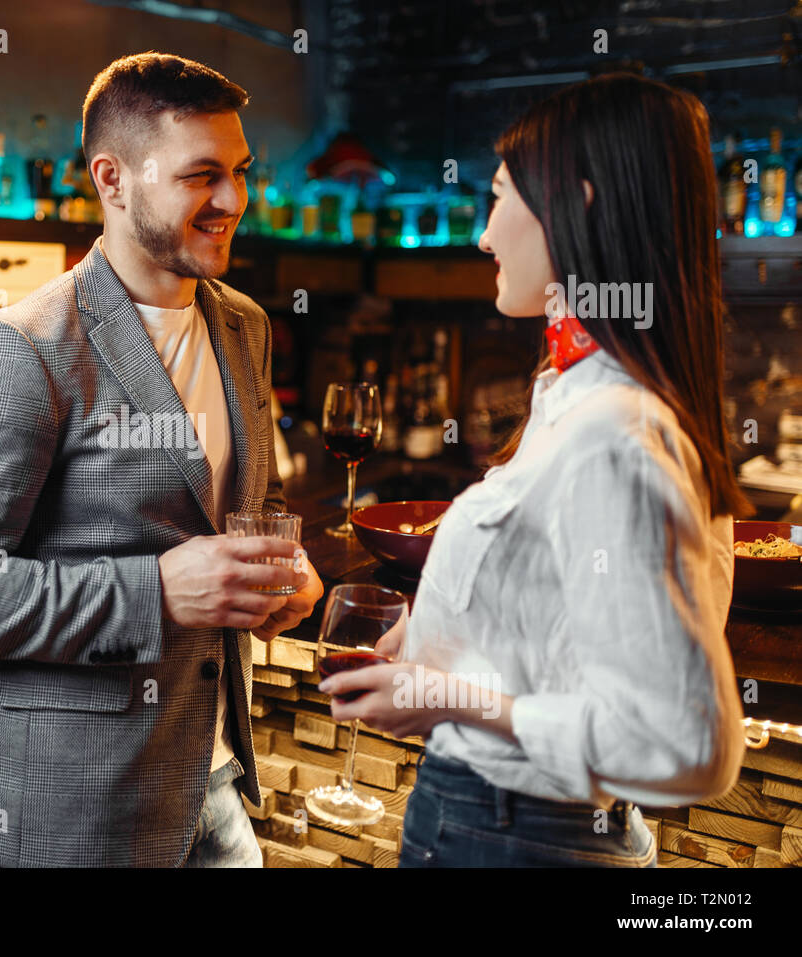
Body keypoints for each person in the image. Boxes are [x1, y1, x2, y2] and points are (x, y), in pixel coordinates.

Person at [0, 51, 324, 868]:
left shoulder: (246, 326)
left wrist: (271, 577)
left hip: (215, 781)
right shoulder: (19, 350)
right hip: (65, 815)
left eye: (240, 171)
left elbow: (214, 515)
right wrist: (159, 590)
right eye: (203, 175)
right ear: (113, 179)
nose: (235, 200)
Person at [318, 72, 750, 866]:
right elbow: (555, 631)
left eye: (499, 196)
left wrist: (442, 695)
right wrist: (425, 640)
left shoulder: (614, 432)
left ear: (577, 206)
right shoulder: (577, 396)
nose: (485, 235)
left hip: (515, 835)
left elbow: (685, 743)